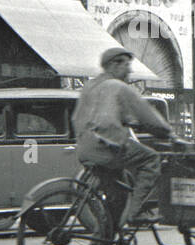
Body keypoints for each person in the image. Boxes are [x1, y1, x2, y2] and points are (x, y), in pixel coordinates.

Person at [73, 47, 173, 227]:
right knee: (151, 159)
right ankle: (136, 213)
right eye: (127, 65)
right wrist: (168, 133)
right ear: (115, 64)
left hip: (85, 147)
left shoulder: (90, 87)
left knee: (117, 196)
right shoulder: (118, 86)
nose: (130, 70)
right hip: (107, 146)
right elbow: (146, 115)